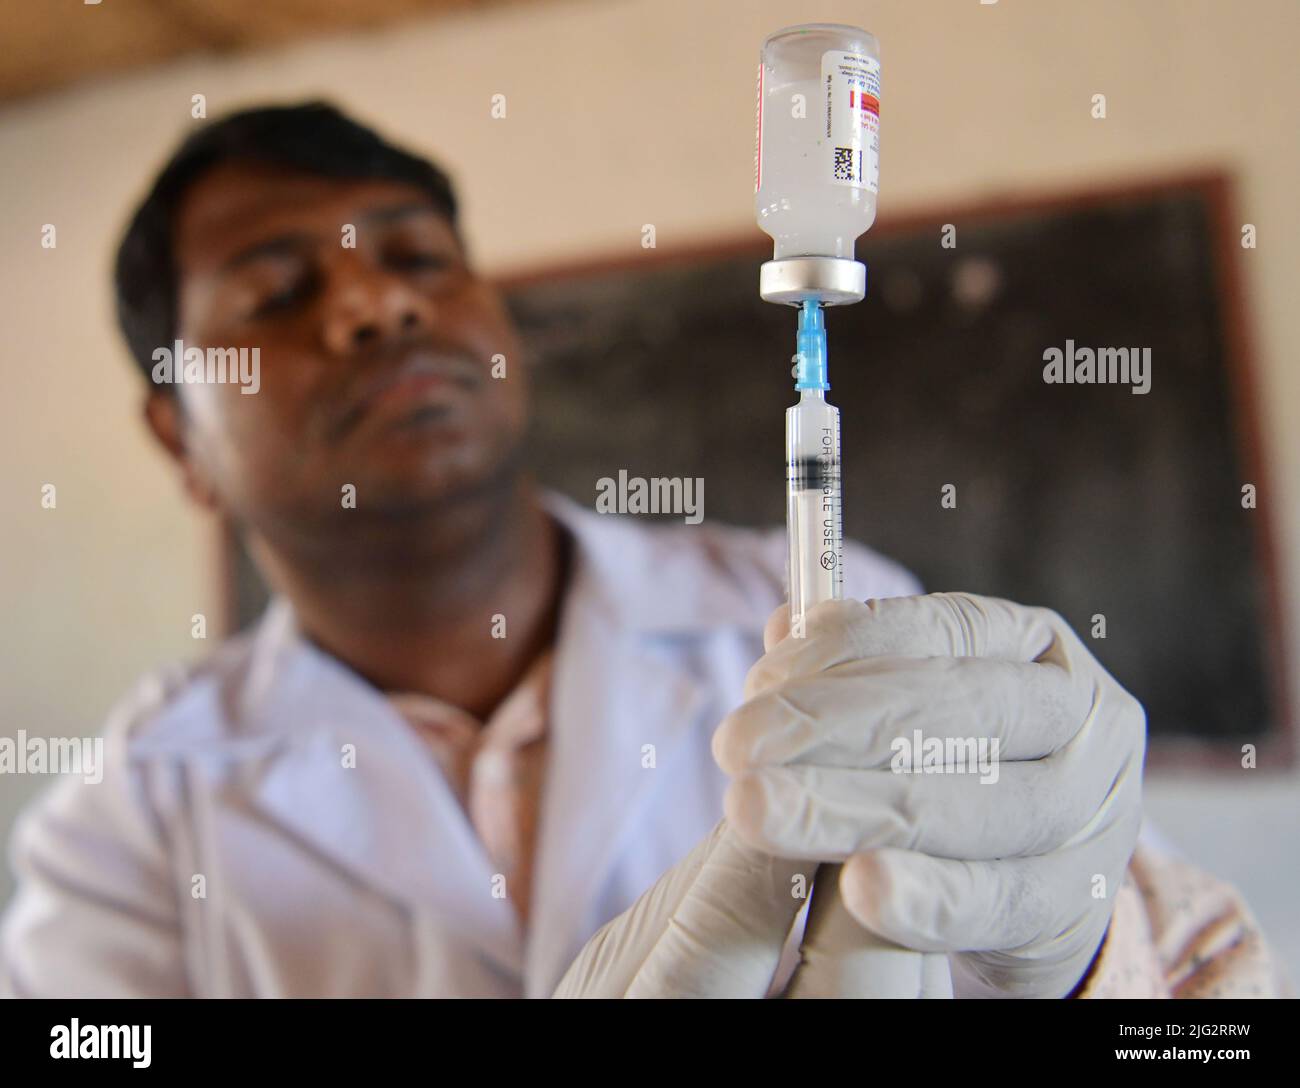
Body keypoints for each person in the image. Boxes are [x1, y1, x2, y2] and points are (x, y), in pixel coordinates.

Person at [0, 103, 1285, 999]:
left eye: (418, 257)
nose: (378, 302)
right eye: (278, 289)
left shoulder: (827, 613)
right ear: (177, 427)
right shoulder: (123, 825)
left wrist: (1070, 963)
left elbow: (1201, 1007)